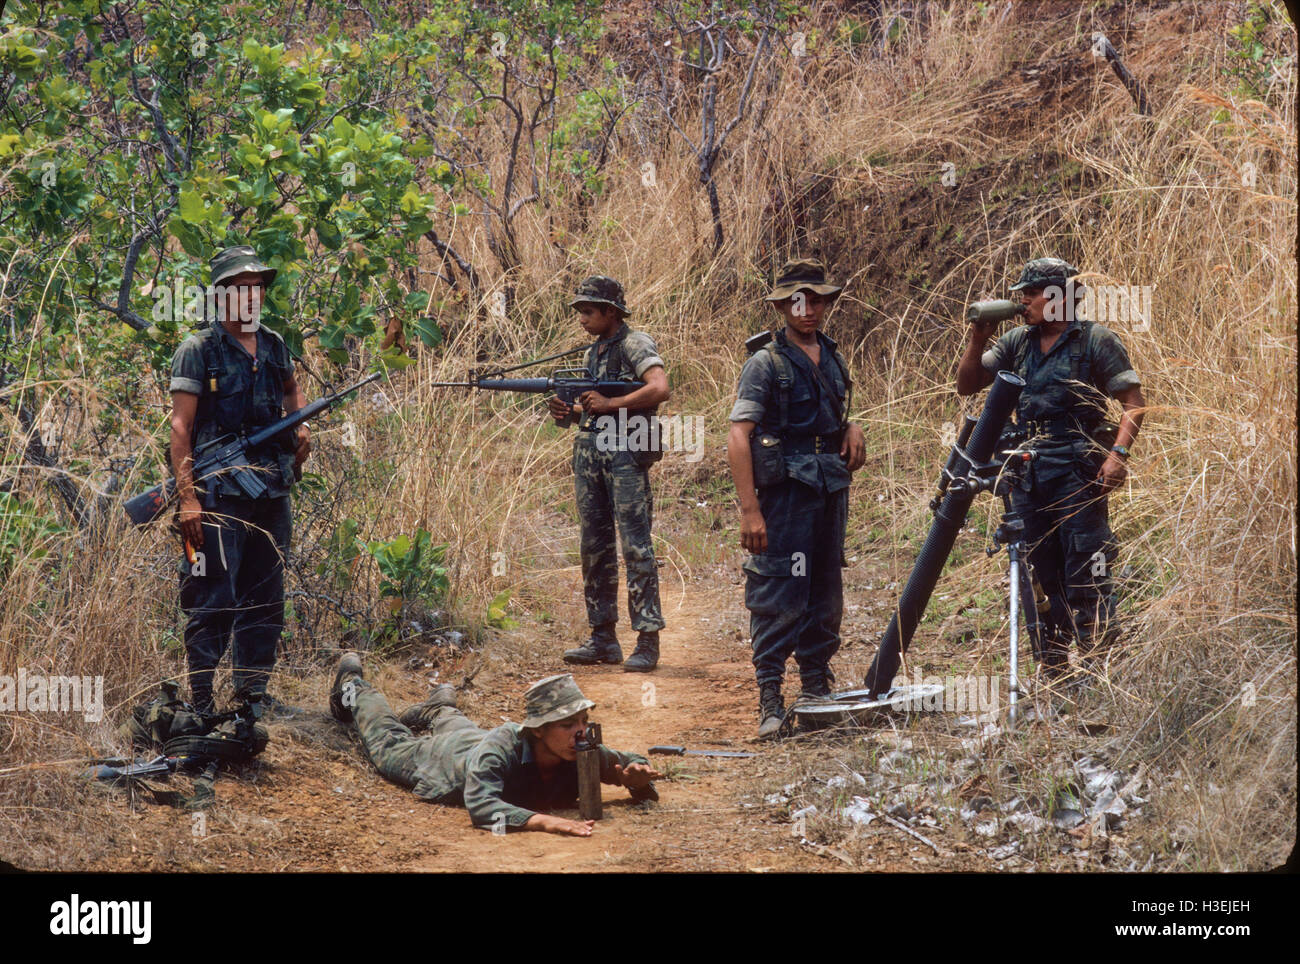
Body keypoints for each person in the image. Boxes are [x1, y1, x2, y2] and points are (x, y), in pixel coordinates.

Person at [956, 257, 1145, 681]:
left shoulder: (1095, 340)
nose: (1022, 300)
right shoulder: (1018, 344)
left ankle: (1101, 667)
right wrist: (977, 337)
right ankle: (1054, 667)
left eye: (1032, 292)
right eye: (1021, 292)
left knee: (1087, 562)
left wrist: (1118, 455)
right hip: (1029, 467)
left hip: (1079, 467)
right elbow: (967, 384)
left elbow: (1134, 403)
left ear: (1062, 297)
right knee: (1038, 568)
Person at [726, 259, 867, 739]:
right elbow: (739, 435)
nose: (809, 309)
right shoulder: (765, 363)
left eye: (817, 299)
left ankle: (814, 689)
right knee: (778, 590)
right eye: (798, 301)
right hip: (785, 492)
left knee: (825, 588)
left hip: (828, 486)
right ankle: (770, 697)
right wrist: (750, 510)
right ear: (783, 306)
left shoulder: (830, 355)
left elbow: (837, 410)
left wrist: (851, 426)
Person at [168, 245, 310, 715]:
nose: (251, 299)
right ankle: (203, 699)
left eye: (257, 290)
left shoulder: (272, 343)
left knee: (266, 594)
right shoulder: (198, 350)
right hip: (217, 494)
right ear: (221, 296)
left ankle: (252, 696)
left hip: (270, 489)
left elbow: (291, 389)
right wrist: (188, 501)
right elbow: (180, 429)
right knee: (213, 595)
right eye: (241, 290)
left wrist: (300, 425)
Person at [328, 657, 662, 835]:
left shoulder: (579, 750)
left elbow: (625, 761)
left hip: (475, 739)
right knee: (387, 744)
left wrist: (636, 778)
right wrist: (547, 822)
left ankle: (441, 708)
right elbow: (482, 806)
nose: (581, 732)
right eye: (567, 725)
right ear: (538, 731)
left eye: (583, 722)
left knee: (468, 731)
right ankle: (354, 687)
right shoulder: (503, 747)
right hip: (446, 759)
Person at [546, 276, 670, 673]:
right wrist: (573, 412)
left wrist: (610, 402)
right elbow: (593, 405)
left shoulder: (636, 343)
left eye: (588, 311)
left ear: (610, 312)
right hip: (593, 453)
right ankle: (603, 637)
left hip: (625, 453)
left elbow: (659, 388)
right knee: (594, 545)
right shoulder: (594, 351)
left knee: (635, 545)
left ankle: (647, 640)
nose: (581, 319)